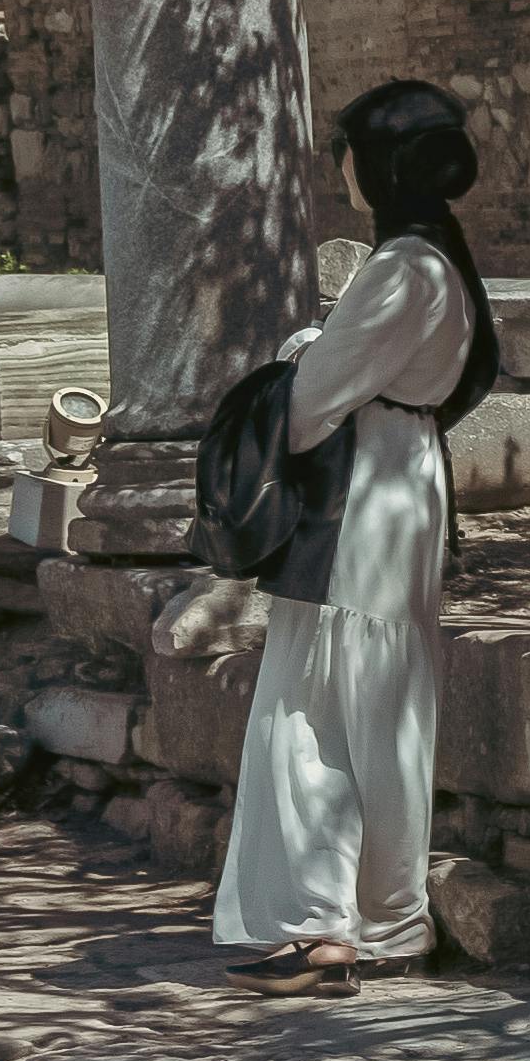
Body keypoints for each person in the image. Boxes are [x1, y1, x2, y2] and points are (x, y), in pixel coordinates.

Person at [213, 78, 500, 984]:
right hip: (403, 478)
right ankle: (384, 920)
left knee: (314, 706)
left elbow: (309, 403)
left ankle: (322, 924)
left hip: (359, 498)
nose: (339, 165)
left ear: (381, 163)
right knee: (382, 710)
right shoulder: (443, 258)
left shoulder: (402, 266)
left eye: (348, 150)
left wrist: (295, 355)